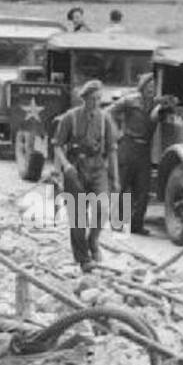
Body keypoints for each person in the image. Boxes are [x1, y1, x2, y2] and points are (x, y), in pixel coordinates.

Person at [53, 77, 119, 271]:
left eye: (99, 99)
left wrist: (115, 179)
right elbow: (57, 145)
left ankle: (93, 240)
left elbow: (112, 149)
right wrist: (65, 166)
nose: (96, 103)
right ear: (85, 99)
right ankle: (83, 258)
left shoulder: (105, 119)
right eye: (92, 99)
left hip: (98, 168)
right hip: (76, 169)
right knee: (78, 216)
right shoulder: (70, 117)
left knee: (103, 207)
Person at [108, 72, 172, 235]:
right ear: (142, 87)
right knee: (122, 186)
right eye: (148, 86)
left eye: (154, 87)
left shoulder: (157, 105)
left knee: (142, 190)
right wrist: (116, 132)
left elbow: (163, 114)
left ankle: (137, 225)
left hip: (145, 150)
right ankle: (117, 222)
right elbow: (109, 112)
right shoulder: (130, 100)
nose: (151, 90)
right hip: (128, 146)